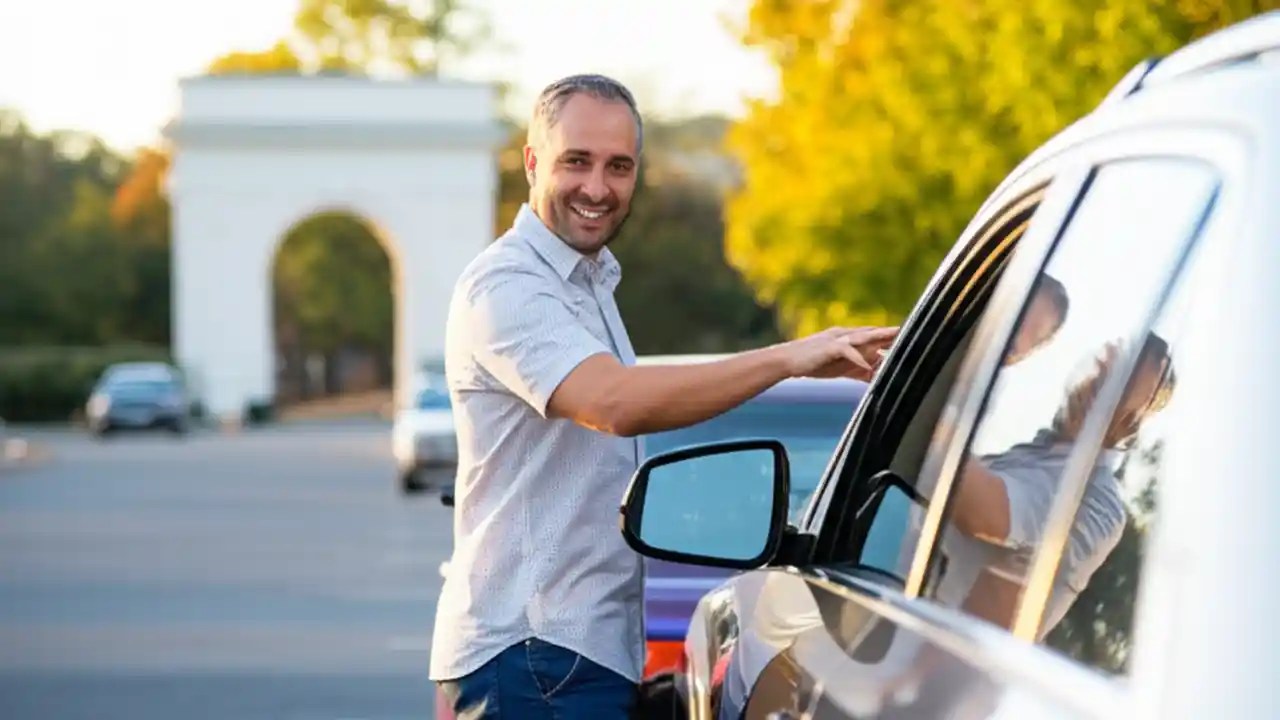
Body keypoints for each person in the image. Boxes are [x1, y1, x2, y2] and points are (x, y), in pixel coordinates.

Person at [428, 73, 900, 719]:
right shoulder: (508, 288)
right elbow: (616, 405)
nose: (598, 188)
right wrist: (790, 358)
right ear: (533, 162)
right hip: (536, 657)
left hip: (562, 656)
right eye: (577, 162)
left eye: (618, 167)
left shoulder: (586, 284)